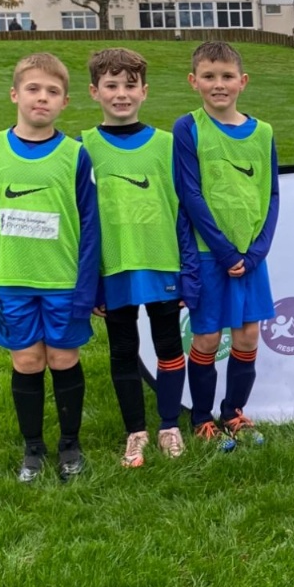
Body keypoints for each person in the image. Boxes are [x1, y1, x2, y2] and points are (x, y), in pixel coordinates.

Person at [0, 53, 100, 482]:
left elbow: (92, 227)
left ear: (65, 102)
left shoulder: (76, 155)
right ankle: (33, 448)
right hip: (12, 279)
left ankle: (69, 445)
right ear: (15, 94)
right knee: (26, 361)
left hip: (63, 280)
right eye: (33, 89)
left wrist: (89, 288)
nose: (42, 98)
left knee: (62, 358)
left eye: (53, 91)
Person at [84, 48, 199, 468]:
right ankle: (136, 432)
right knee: (122, 350)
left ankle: (169, 424)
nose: (121, 94)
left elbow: (185, 212)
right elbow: (83, 221)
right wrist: (91, 280)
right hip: (114, 268)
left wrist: (188, 270)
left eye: (130, 85)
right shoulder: (84, 148)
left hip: (162, 262)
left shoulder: (167, 145)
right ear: (94, 91)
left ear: (144, 91)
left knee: (169, 346)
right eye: (111, 86)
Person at [173, 41, 278, 448]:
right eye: (209, 76)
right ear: (194, 81)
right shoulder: (188, 128)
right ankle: (202, 418)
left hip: (250, 259)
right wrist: (224, 251)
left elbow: (271, 195)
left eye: (227, 76)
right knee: (207, 339)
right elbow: (190, 194)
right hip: (208, 254)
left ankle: (233, 412)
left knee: (248, 335)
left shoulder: (263, 132)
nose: (219, 85)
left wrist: (255, 253)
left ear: (243, 82)